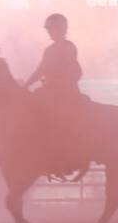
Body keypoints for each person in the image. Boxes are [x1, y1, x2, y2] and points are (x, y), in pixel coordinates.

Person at [24, 13, 87, 176]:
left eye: (51, 29)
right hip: (50, 92)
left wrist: (58, 85)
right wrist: (25, 86)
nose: (49, 32)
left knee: (57, 118)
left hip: (65, 94)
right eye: (48, 29)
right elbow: (39, 71)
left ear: (61, 29)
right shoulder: (49, 50)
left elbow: (74, 72)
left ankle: (62, 155)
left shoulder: (68, 47)